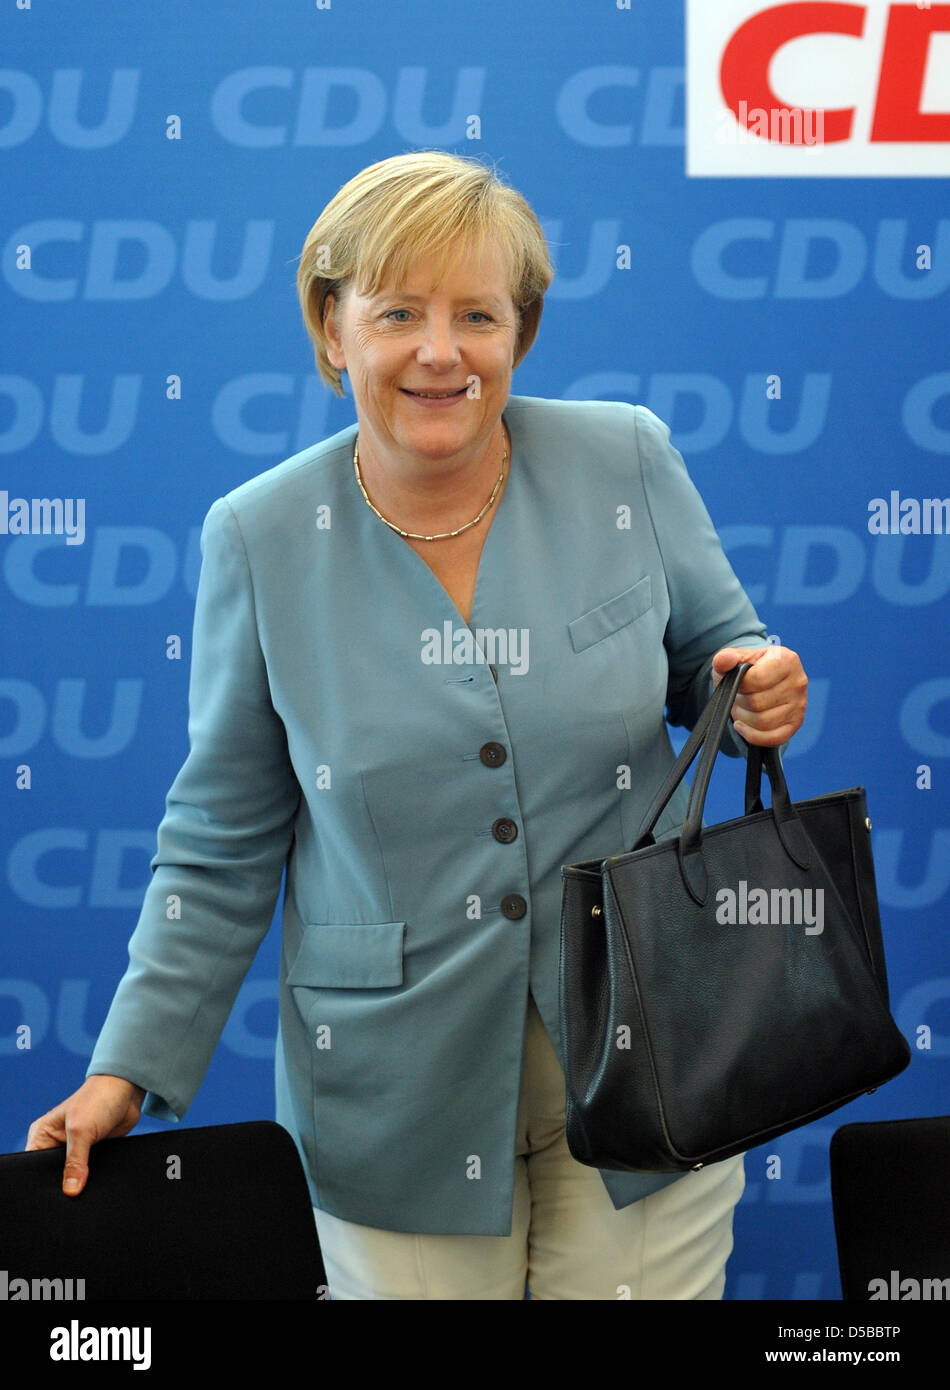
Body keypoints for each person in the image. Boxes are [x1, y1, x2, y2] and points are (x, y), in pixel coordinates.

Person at [26, 149, 807, 1300]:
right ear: (332, 329)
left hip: (653, 1051)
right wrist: (129, 1070)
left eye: (476, 315)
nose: (440, 351)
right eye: (397, 312)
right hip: (394, 1093)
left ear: (519, 333)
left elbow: (713, 666)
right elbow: (222, 836)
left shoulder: (624, 458)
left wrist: (755, 697)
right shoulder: (259, 537)